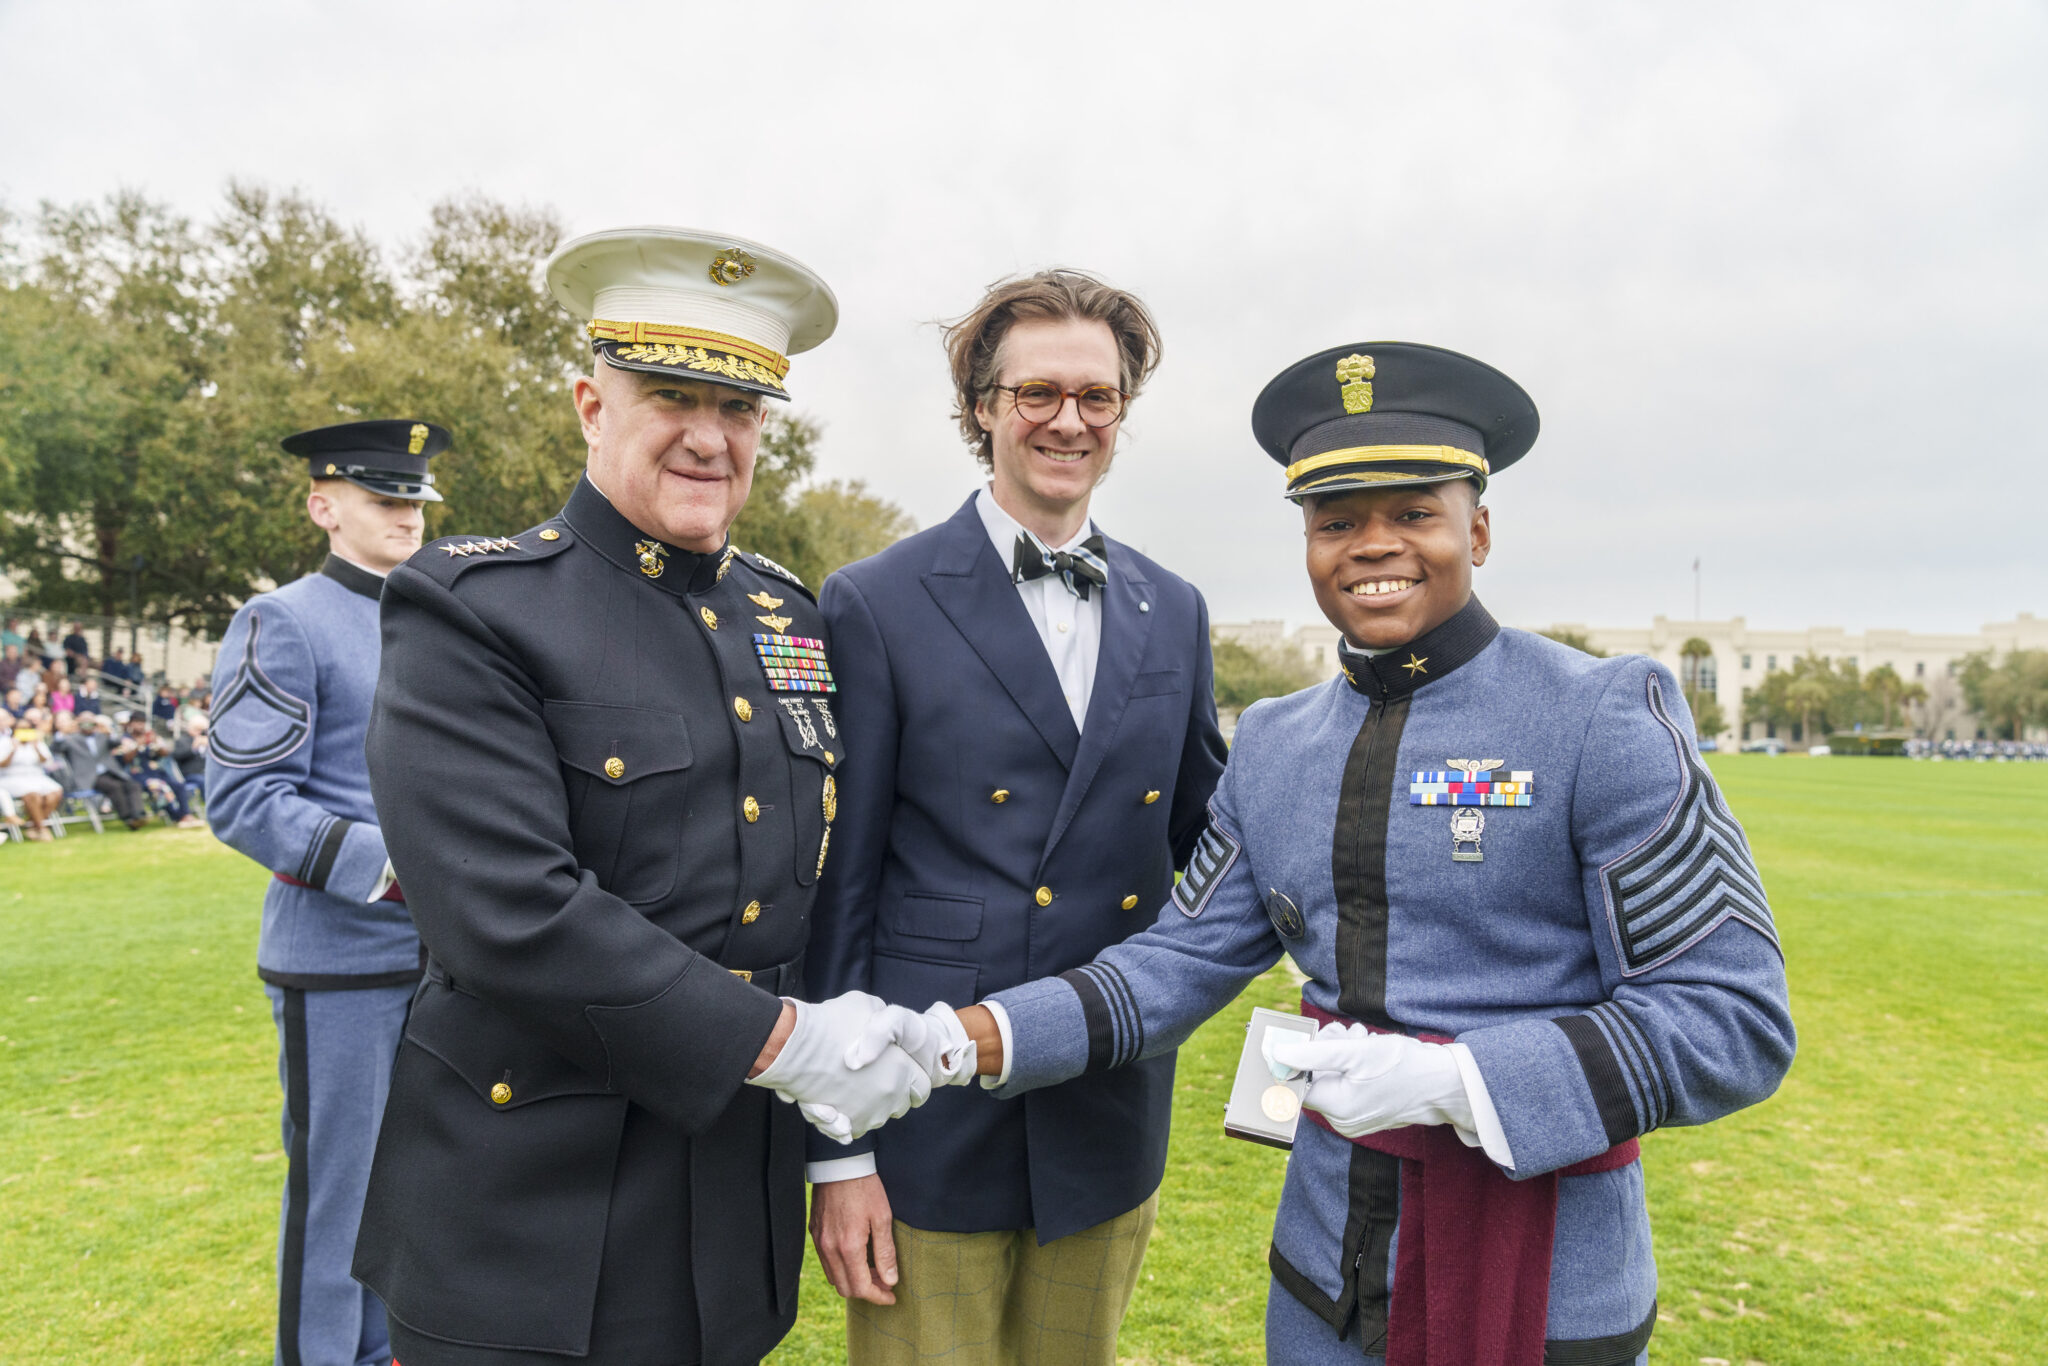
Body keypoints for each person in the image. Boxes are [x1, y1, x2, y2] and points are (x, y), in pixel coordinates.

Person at [868, 343, 1797, 1365]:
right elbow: (1174, 961)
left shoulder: (1598, 714)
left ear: (1476, 530)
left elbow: (1730, 1018)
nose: (1371, 546)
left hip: (1544, 1285)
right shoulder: (1272, 741)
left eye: (1411, 513)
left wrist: (1454, 1084)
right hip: (1323, 1276)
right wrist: (968, 1037)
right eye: (1336, 520)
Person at [354, 226, 930, 1366]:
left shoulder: (786, 617)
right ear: (588, 403)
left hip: (726, 1215)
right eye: (670, 393)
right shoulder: (471, 609)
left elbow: (811, 887)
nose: (710, 437)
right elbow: (505, 912)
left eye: (743, 408)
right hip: (525, 1215)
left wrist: (838, 1145)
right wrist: (778, 1042)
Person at [804, 270, 1228, 1364]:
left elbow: (1205, 846)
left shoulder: (1171, 608)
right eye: (1037, 391)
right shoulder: (875, 599)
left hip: (1104, 1100)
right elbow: (840, 887)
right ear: (982, 406)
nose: (1068, 420)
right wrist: (836, 1155)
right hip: (922, 1107)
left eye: (1098, 397)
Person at [205, 416, 455, 1366]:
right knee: (340, 1195)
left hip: (446, 961)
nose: (407, 515)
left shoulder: (437, 613)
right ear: (324, 506)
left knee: (424, 1187)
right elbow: (243, 797)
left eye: (415, 500)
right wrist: (394, 869)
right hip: (342, 959)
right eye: (384, 498)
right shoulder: (284, 617)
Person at [52, 712, 150, 829]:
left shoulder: (101, 736)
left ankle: (139, 815)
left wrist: (108, 730)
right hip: (90, 776)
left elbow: (117, 742)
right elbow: (55, 748)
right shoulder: (71, 739)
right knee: (114, 787)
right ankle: (128, 818)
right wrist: (62, 732)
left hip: (111, 771)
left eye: (91, 722)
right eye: (85, 723)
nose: (88, 726)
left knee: (132, 784)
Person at [0, 708, 64, 840]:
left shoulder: (37, 743)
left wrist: (36, 748)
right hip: (11, 778)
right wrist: (12, 750)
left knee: (56, 791)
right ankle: (41, 828)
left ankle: (33, 826)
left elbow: (47, 762)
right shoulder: (6, 743)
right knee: (33, 794)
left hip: (37, 776)